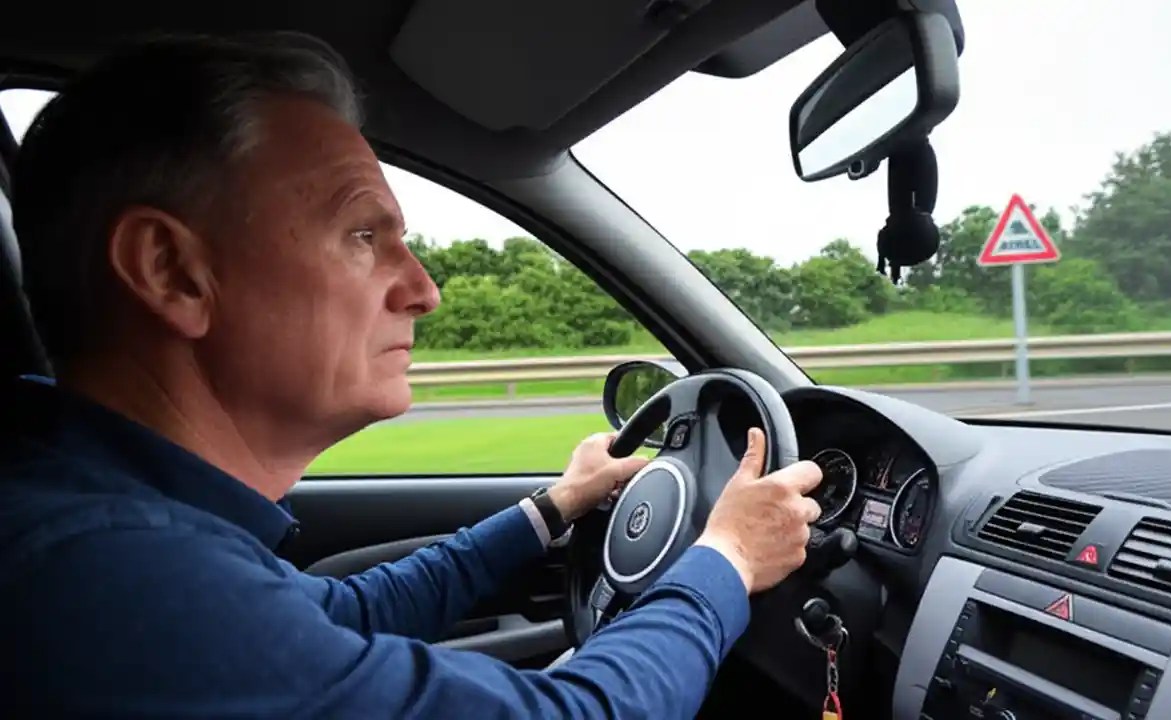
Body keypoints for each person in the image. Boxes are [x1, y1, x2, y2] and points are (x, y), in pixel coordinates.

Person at [0, 31, 826, 718]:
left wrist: (554, 506)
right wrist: (725, 559)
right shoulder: (109, 578)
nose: (425, 291)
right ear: (172, 272)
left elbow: (346, 615)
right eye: (364, 235)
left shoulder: (111, 524)